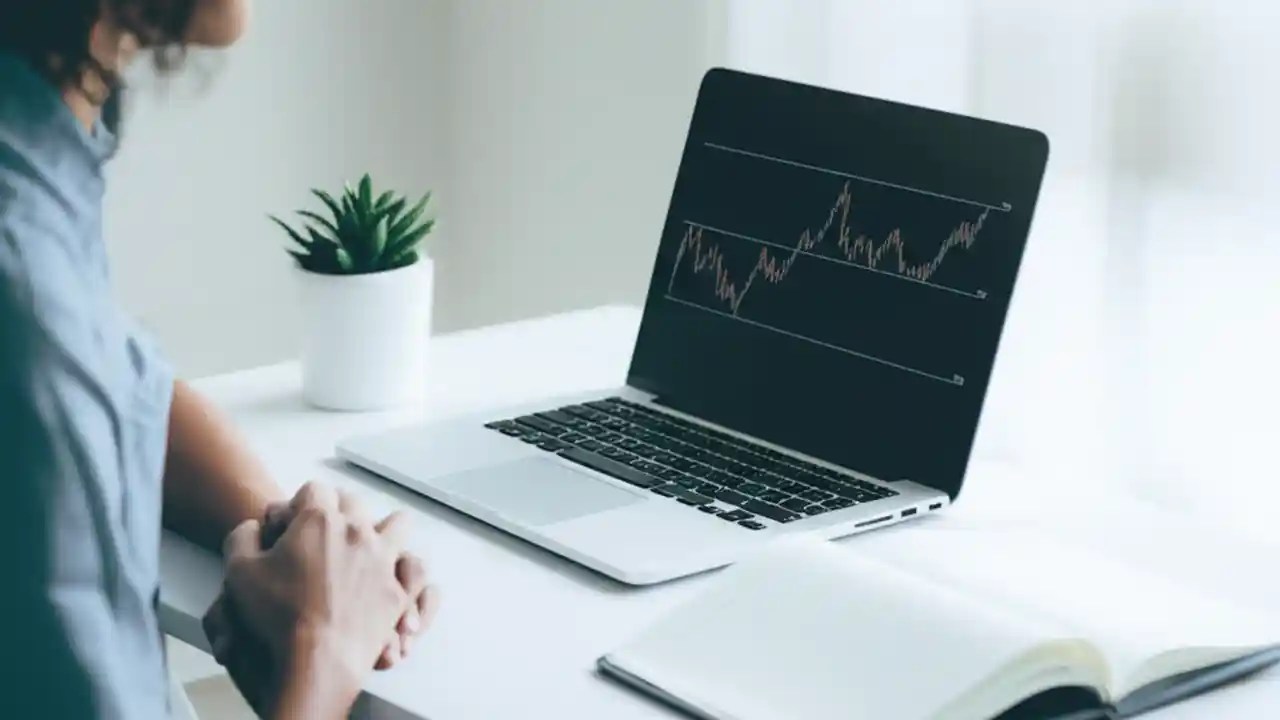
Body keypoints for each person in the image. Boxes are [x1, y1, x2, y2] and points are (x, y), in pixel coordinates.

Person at [0, 2, 437, 718]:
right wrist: (321, 647)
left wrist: (301, 542)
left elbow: (112, 375)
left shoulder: (33, 153)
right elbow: (54, 371)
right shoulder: (28, 292)